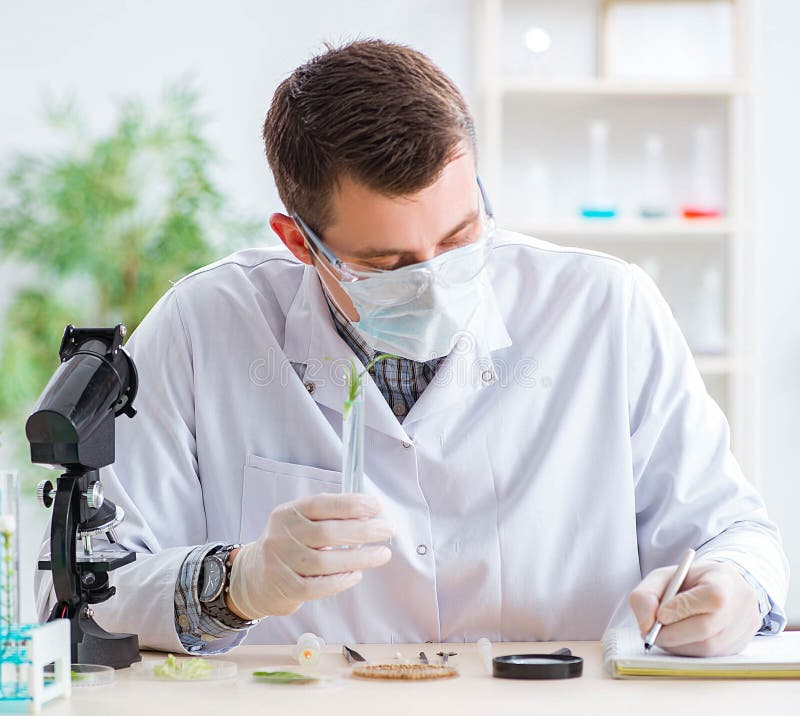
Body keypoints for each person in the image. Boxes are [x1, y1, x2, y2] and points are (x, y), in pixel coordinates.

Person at [35, 39, 788, 657]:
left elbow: (734, 532)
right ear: (298, 241)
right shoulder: (209, 324)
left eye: (461, 237)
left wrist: (733, 586)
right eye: (388, 265)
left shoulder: (604, 309)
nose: (435, 282)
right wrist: (237, 582)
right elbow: (84, 593)